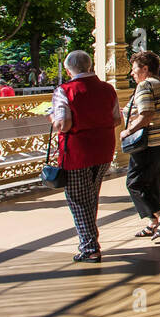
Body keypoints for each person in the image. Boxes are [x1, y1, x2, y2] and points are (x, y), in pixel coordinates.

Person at [51, 50, 121, 263]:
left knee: (79, 200)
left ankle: (90, 247)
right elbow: (116, 119)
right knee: (90, 196)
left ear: (68, 69)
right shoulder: (108, 89)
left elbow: (64, 124)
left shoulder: (65, 91)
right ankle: (88, 241)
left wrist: (52, 117)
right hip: (103, 149)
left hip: (77, 152)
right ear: (89, 66)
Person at [121, 50, 160, 240]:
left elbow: (146, 114)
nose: (132, 73)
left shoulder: (144, 85)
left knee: (134, 182)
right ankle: (152, 222)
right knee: (154, 185)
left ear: (145, 68)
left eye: (134, 68)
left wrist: (128, 131)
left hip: (150, 142)